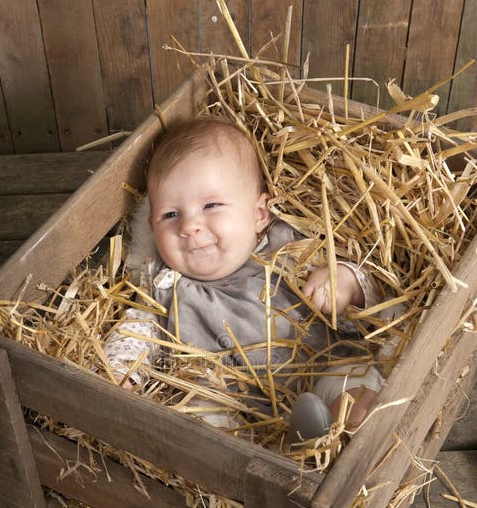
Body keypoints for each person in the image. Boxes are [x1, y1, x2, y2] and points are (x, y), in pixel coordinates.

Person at [103, 116, 384, 440]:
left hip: (318, 369)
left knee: (353, 384)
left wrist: (344, 281)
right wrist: (116, 374)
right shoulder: (164, 287)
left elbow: (375, 300)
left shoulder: (288, 248)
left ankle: (330, 434)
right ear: (152, 225)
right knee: (200, 417)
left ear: (259, 214)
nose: (189, 226)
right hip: (232, 405)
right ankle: (267, 453)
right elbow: (134, 333)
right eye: (170, 214)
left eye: (211, 205)